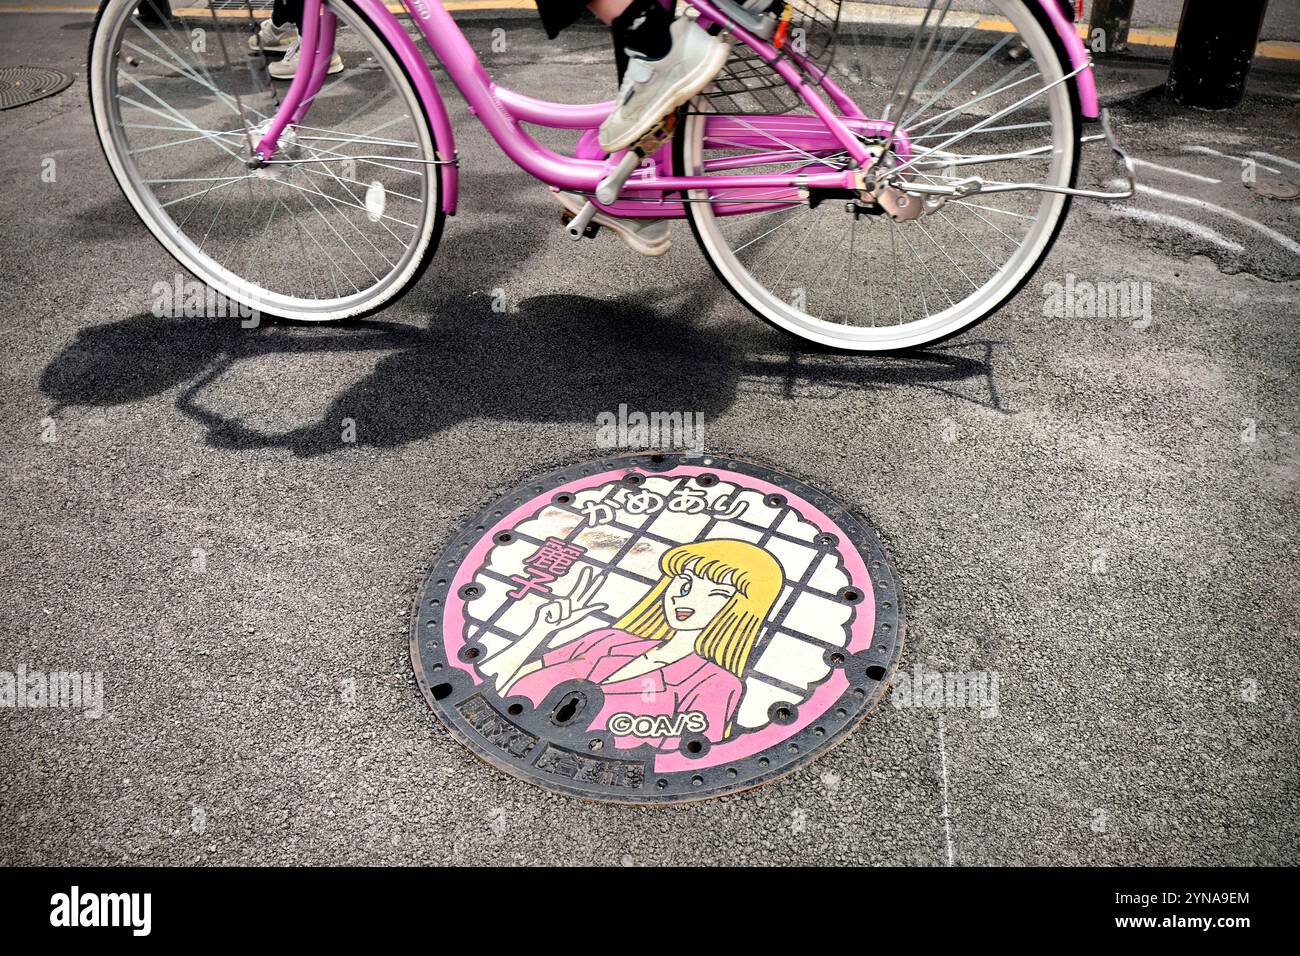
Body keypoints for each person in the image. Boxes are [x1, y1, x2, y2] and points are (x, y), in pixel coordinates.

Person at [484, 540, 785, 750]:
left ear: (742, 610)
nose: (686, 598)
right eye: (684, 583)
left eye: (716, 594)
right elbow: (493, 682)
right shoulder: (607, 640)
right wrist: (541, 630)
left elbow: (685, 758)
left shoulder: (715, 682)